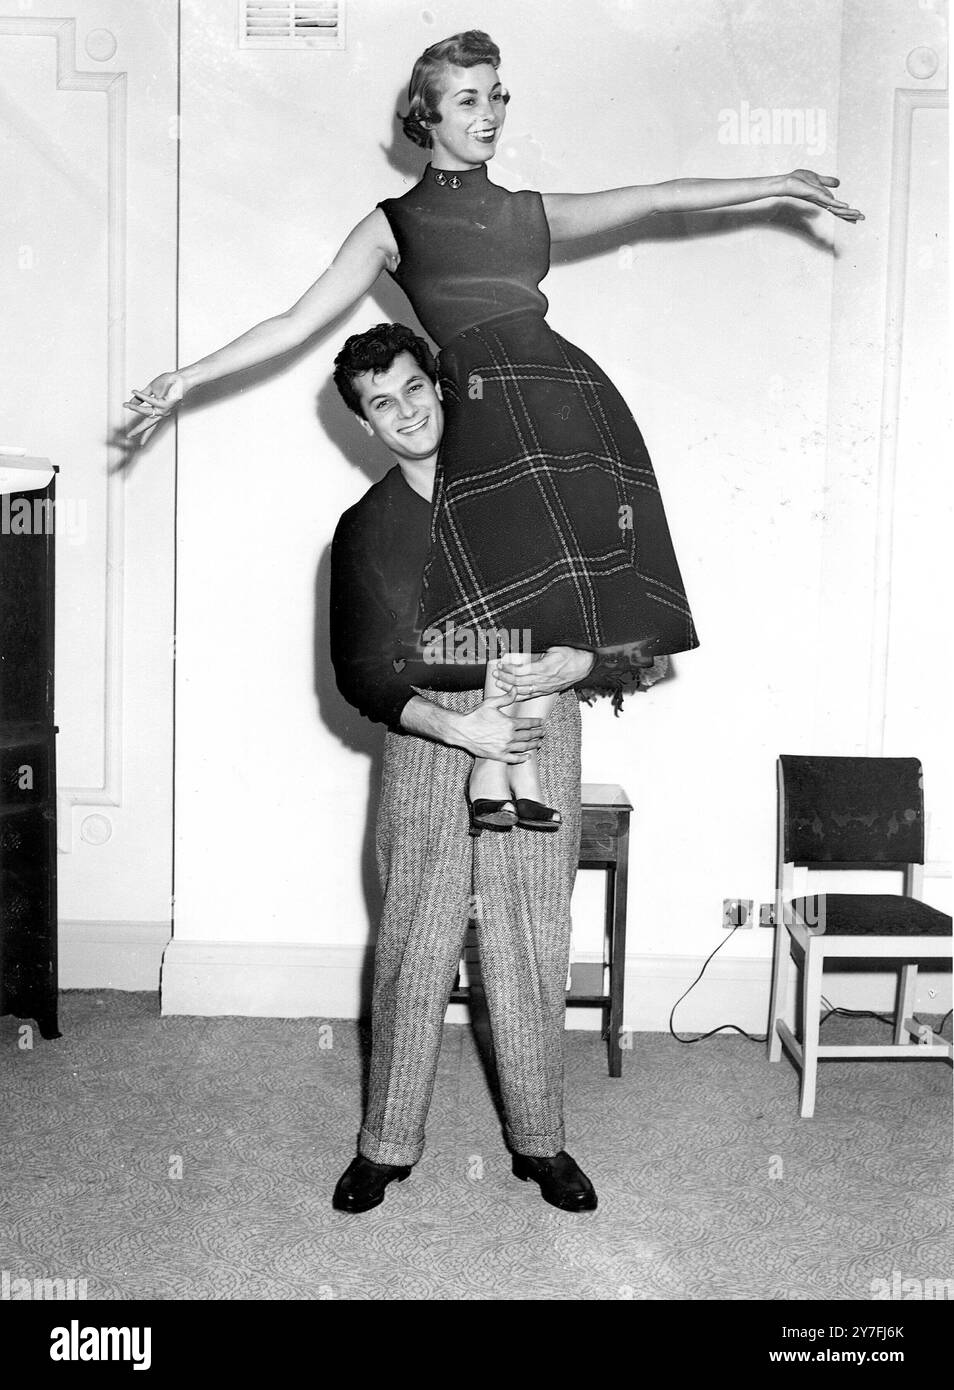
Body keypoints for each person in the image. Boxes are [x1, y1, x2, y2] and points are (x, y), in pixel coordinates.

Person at [125, 28, 862, 830]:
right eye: (469, 99)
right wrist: (187, 377)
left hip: (565, 397)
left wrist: (778, 182)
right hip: (481, 399)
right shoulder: (393, 225)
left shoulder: (524, 211)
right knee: (505, 585)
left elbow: (655, 196)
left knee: (555, 591)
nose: (491, 113)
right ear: (427, 116)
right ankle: (493, 764)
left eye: (498, 96)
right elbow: (297, 320)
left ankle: (511, 766)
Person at [328, 321, 601, 1212]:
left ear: (438, 388)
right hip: (429, 737)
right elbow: (364, 673)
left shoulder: (526, 490)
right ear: (366, 424)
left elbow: (605, 611)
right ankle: (386, 1144)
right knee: (417, 941)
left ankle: (540, 1142)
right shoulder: (365, 529)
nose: (404, 411)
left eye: (413, 387)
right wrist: (459, 727)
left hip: (535, 730)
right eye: (382, 403)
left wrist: (579, 659)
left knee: (531, 940)